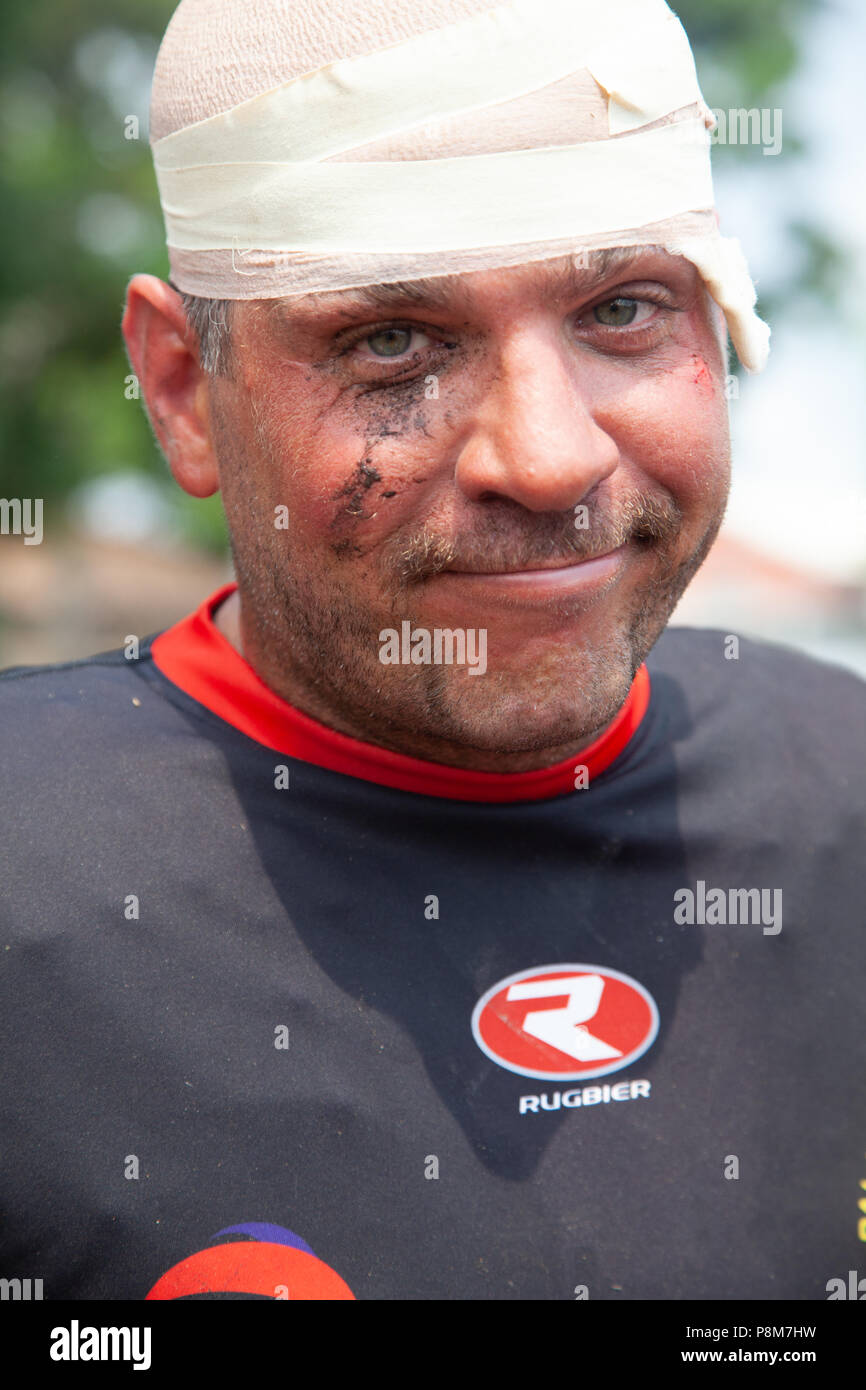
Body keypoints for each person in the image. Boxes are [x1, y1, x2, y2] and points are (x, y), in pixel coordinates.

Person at [1, 0, 863, 1302]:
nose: (549, 455)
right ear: (182, 388)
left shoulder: (840, 789)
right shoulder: (31, 873)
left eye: (622, 308)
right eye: (390, 343)